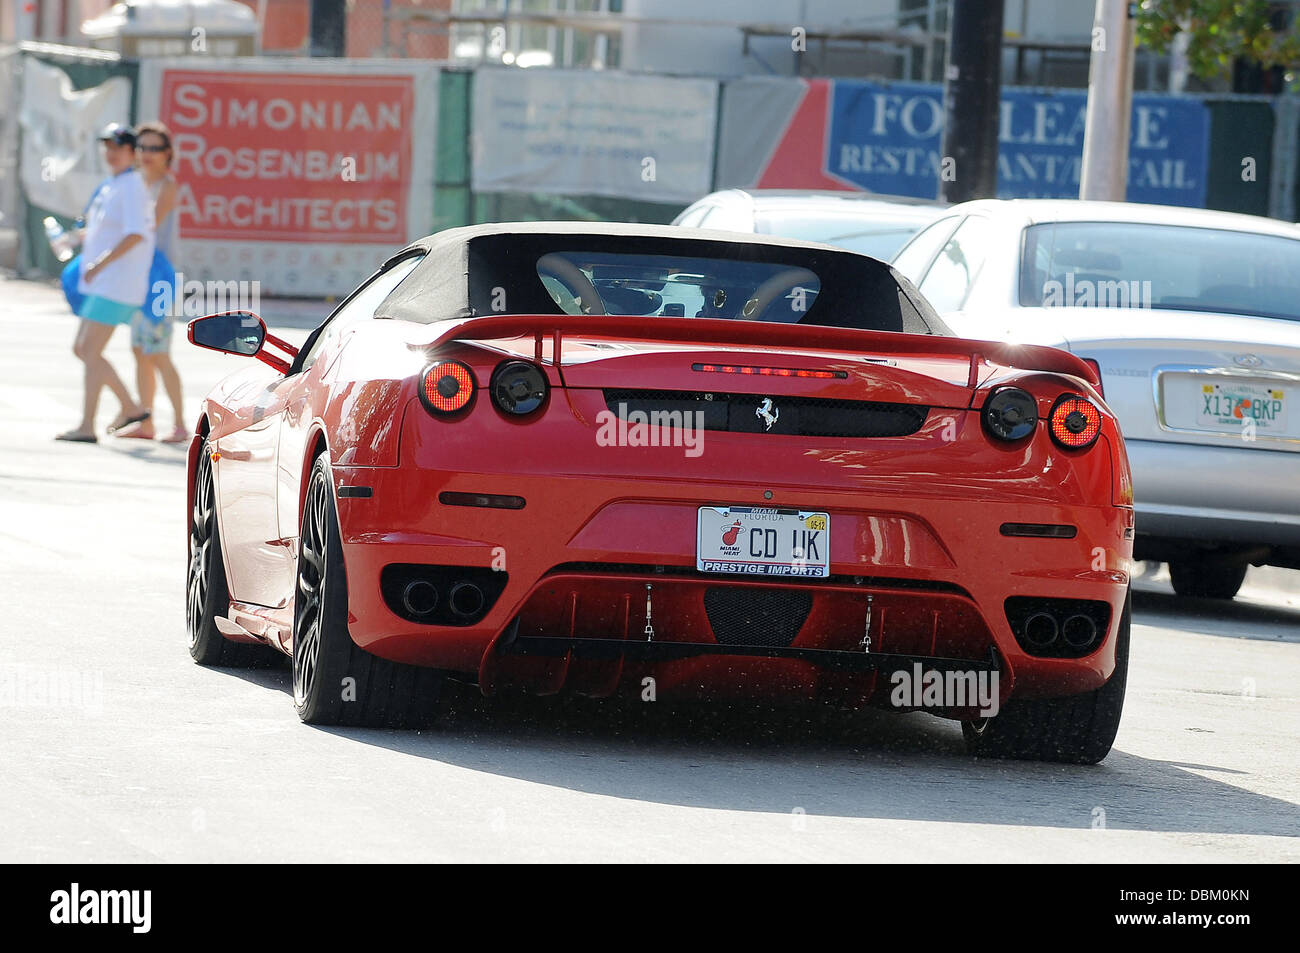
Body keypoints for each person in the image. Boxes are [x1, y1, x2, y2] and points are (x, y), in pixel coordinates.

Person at [56, 123, 155, 443]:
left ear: (131, 152)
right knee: (85, 349)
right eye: (107, 147)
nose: (110, 153)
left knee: (86, 348)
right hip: (105, 282)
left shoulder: (131, 186)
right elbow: (109, 229)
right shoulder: (115, 184)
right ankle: (93, 421)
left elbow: (136, 233)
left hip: (117, 282)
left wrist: (101, 263)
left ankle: (127, 408)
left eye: (117, 147)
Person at [115, 120, 187, 443]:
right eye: (142, 147)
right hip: (136, 277)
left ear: (167, 153)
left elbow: (146, 228)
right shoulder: (133, 184)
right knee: (139, 350)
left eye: (155, 148)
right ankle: (146, 420)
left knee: (158, 352)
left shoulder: (166, 186)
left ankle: (180, 423)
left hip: (160, 279)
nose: (147, 154)